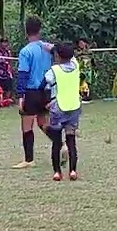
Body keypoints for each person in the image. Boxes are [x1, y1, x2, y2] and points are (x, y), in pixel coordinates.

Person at [13, 16, 53, 169]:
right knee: (43, 123)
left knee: (27, 125)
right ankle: (62, 144)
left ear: (26, 31)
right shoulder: (48, 48)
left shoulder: (25, 51)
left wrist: (20, 96)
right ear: (40, 30)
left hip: (31, 91)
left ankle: (29, 160)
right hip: (46, 91)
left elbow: (23, 74)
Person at [44, 42, 82, 181]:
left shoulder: (54, 70)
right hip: (74, 107)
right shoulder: (76, 66)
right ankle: (72, 171)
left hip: (58, 108)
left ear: (57, 56)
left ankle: (57, 172)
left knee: (56, 141)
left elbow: (45, 84)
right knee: (71, 141)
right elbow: (72, 58)